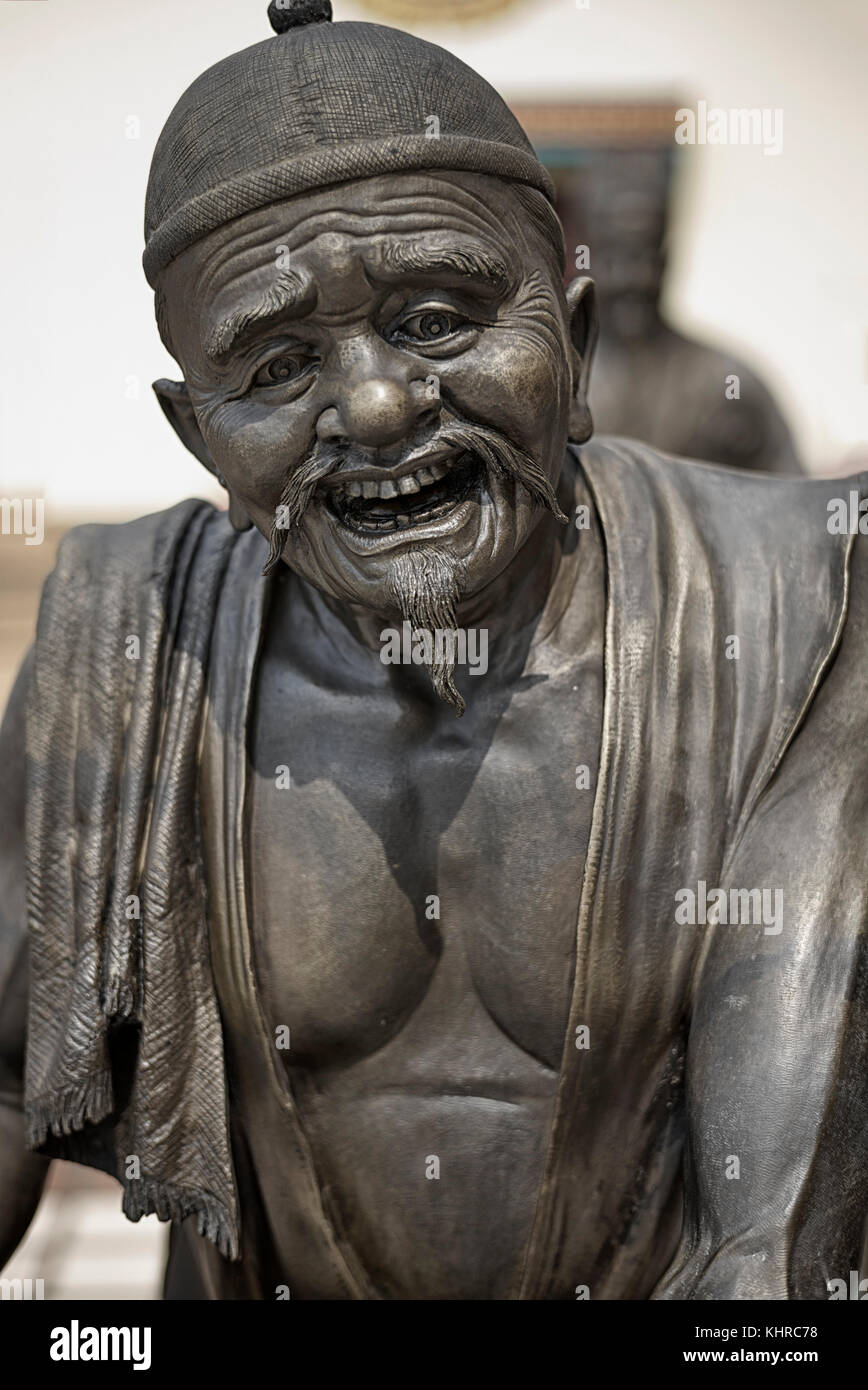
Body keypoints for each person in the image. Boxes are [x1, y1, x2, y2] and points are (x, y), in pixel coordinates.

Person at [1, 0, 866, 1300]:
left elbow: (771, 1242)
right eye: (280, 363)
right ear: (199, 441)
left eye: (437, 320)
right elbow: (11, 1077)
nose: (375, 403)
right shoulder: (127, 646)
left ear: (571, 348)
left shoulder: (799, 609)